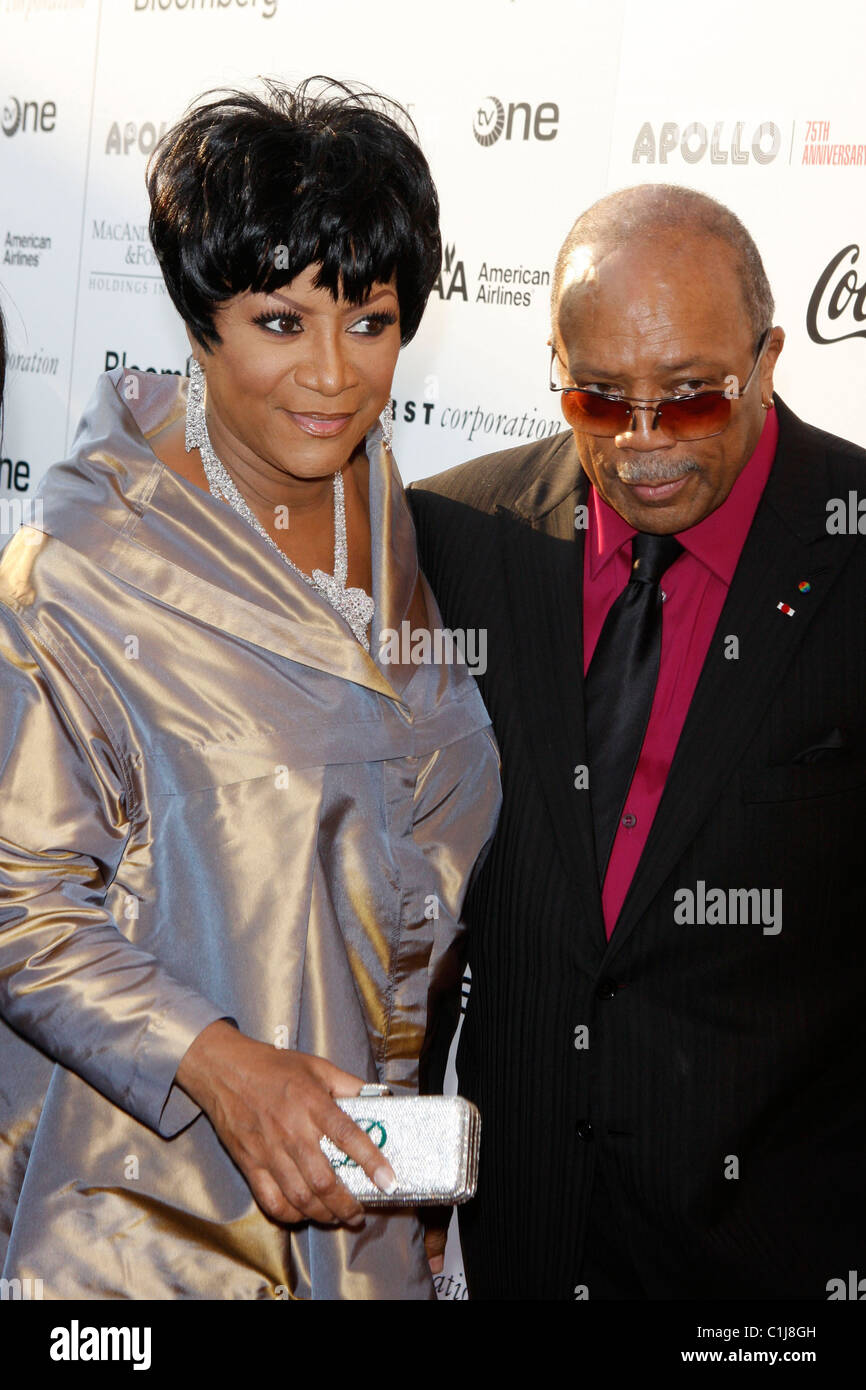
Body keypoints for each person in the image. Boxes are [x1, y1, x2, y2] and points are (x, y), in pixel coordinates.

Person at [0, 78, 500, 1300]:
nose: (332, 375)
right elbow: (20, 910)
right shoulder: (75, 574)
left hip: (368, 1221)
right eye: (281, 321)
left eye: (369, 320)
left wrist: (413, 1145)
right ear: (198, 319)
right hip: (143, 1237)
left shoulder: (412, 536)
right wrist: (220, 1064)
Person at [409, 184, 866, 1300]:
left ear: (765, 359)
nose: (644, 442)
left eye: (692, 399)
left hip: (775, 1265)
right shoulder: (454, 541)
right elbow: (404, 895)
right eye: (599, 398)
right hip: (515, 1240)